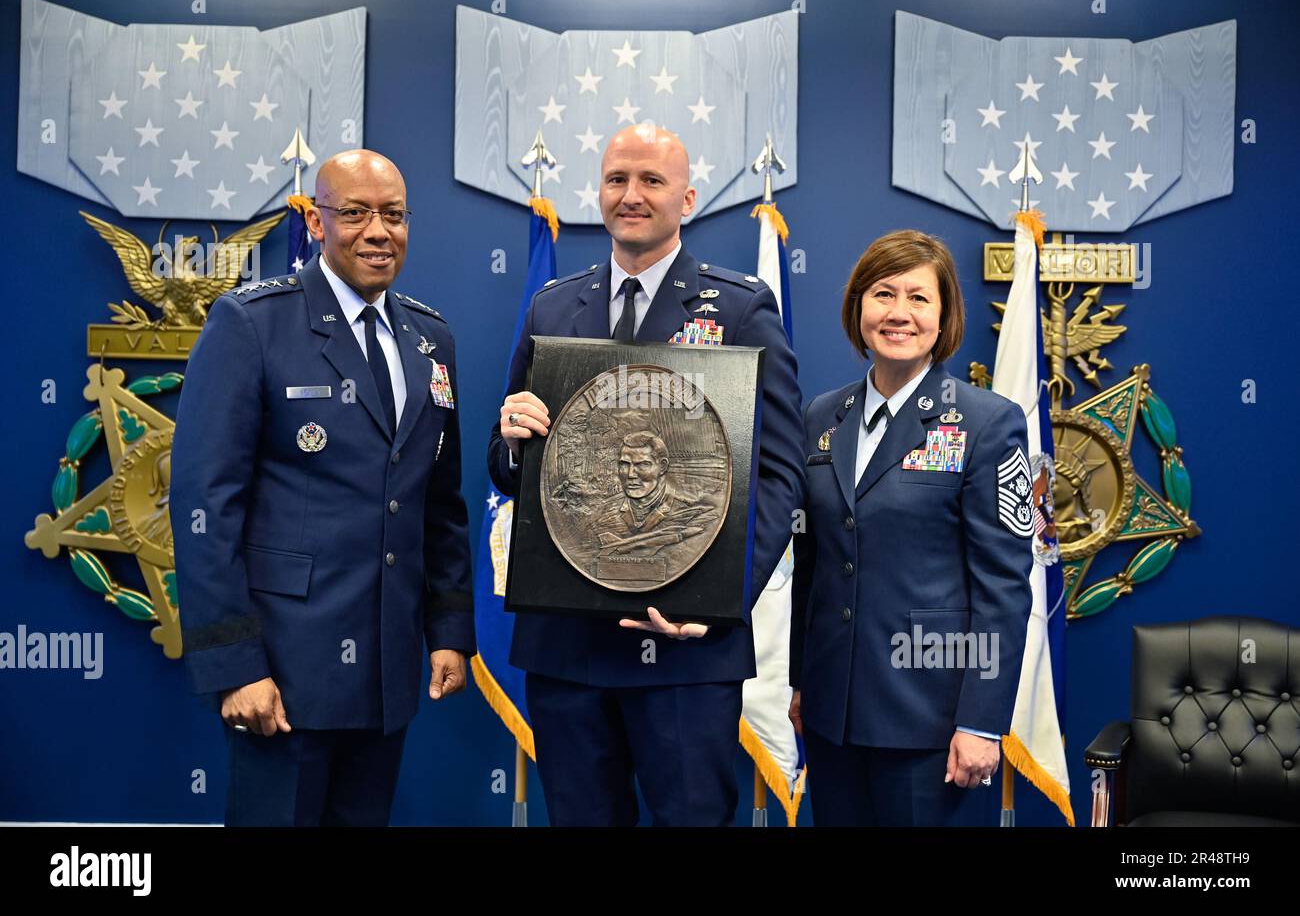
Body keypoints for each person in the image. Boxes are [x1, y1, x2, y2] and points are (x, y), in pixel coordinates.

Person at [488, 123, 804, 826]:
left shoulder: (743, 308)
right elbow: (513, 468)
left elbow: (780, 475)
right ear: (598, 193)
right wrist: (512, 443)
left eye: (651, 181)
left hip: (688, 650)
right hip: (568, 649)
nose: (631, 196)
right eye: (616, 180)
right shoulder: (551, 305)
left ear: (687, 198)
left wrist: (719, 595)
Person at [171, 149, 474, 826]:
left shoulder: (431, 339)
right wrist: (234, 666)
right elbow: (205, 506)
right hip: (284, 674)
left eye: (393, 215)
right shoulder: (250, 324)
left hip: (387, 671)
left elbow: (439, 499)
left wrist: (449, 630)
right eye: (355, 213)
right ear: (315, 220)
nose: (377, 231)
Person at [789, 229, 1032, 826]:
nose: (899, 313)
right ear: (858, 309)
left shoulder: (987, 422)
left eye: (919, 298)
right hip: (831, 712)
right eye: (882, 294)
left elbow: (1002, 586)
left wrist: (980, 720)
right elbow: (812, 564)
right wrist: (801, 680)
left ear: (944, 315)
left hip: (929, 720)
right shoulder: (821, 416)